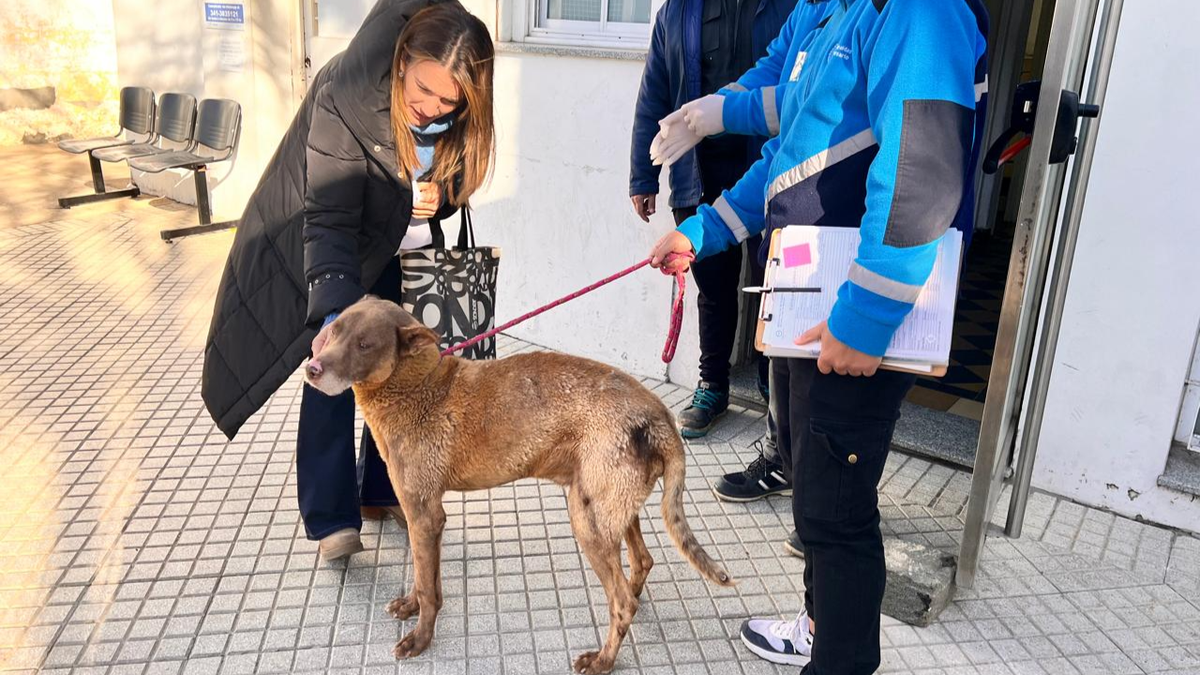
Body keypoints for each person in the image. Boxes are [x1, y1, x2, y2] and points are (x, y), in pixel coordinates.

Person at [649, 0, 988, 671]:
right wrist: (704, 232)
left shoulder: (919, 11)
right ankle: (817, 624)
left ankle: (839, 659)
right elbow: (786, 155)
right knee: (811, 493)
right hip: (803, 291)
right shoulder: (835, 10)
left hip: (850, 305)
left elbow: (921, 169)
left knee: (836, 511)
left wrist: (864, 318)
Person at [200, 0, 495, 561]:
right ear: (401, 59)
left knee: (408, 376)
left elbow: (456, 184)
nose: (429, 110)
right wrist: (335, 313)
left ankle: (384, 490)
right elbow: (330, 214)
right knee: (335, 370)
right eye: (420, 92)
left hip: (405, 251)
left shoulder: (461, 109)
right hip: (342, 249)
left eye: (446, 102)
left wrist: (438, 201)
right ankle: (331, 517)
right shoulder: (346, 89)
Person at [629, 0, 796, 438]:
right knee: (714, 289)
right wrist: (643, 175)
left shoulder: (793, 7)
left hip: (770, 168)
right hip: (697, 171)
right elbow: (655, 94)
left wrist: (721, 114)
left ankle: (771, 383)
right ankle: (713, 385)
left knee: (772, 287)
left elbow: (798, 91)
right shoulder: (676, 13)